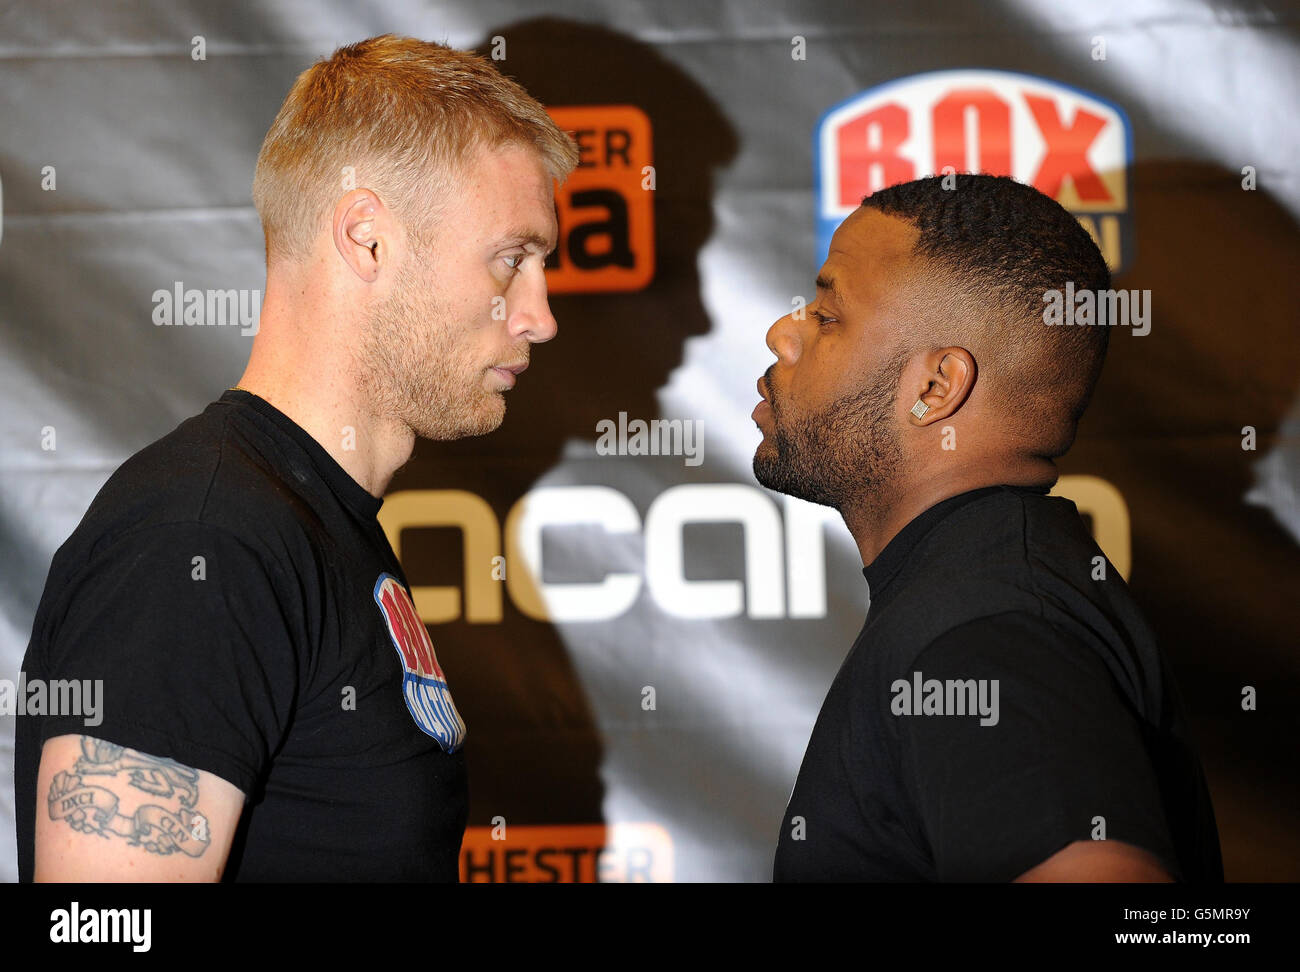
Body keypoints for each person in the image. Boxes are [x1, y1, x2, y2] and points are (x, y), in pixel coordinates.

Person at [15, 34, 578, 881]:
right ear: (368, 239)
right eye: (512, 259)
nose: (540, 316)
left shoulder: (307, 523)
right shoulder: (204, 542)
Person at [756, 174, 1223, 882]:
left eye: (827, 315)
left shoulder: (983, 625)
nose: (781, 333)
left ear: (936, 388)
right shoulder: (984, 585)